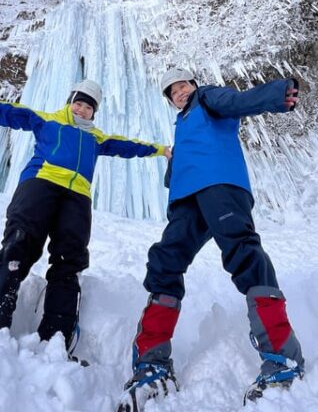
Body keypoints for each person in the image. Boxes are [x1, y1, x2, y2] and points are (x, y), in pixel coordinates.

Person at [0, 80, 171, 359]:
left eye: (89, 107)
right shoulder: (46, 121)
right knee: (19, 244)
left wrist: (161, 150)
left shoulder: (97, 138)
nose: (82, 109)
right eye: (79, 102)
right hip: (40, 184)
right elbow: (2, 111)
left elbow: (129, 146)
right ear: (69, 101)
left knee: (69, 260)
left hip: (78, 197)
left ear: (94, 112)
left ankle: (57, 333)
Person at [117, 69, 304, 410]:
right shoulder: (181, 124)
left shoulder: (208, 98)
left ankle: (282, 357)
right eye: (172, 91)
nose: (180, 92)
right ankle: (152, 360)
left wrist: (278, 95)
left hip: (220, 184)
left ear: (195, 85)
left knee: (242, 251)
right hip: (187, 200)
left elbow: (237, 102)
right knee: (166, 261)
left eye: (184, 85)